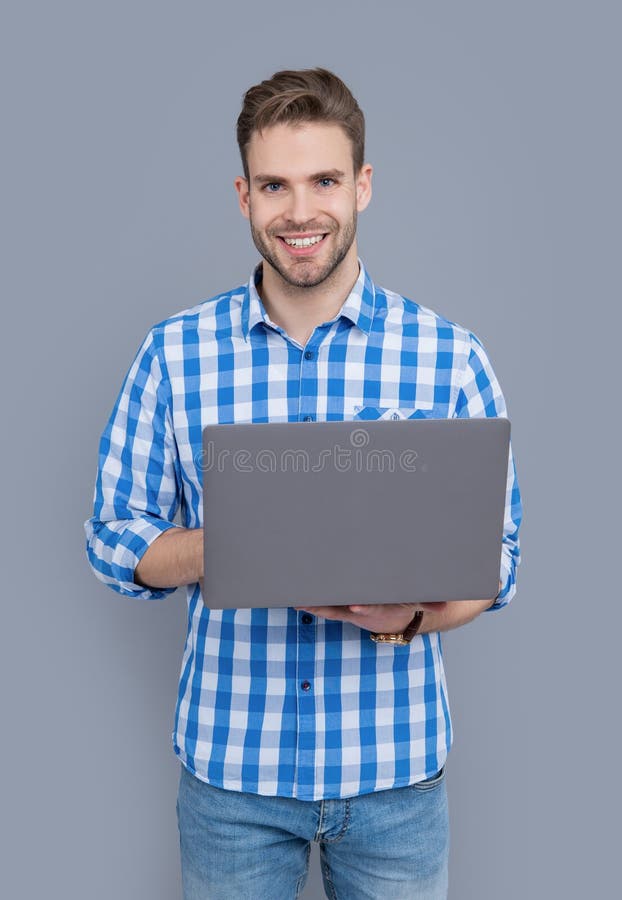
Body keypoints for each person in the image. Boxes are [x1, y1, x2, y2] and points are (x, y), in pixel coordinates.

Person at [85, 67, 522, 900]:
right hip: (231, 782)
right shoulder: (175, 353)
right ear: (243, 195)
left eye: (324, 179)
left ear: (362, 185)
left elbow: (498, 560)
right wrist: (234, 545)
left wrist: (412, 617)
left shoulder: (449, 356)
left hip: (395, 776)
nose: (300, 212)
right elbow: (115, 540)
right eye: (275, 186)